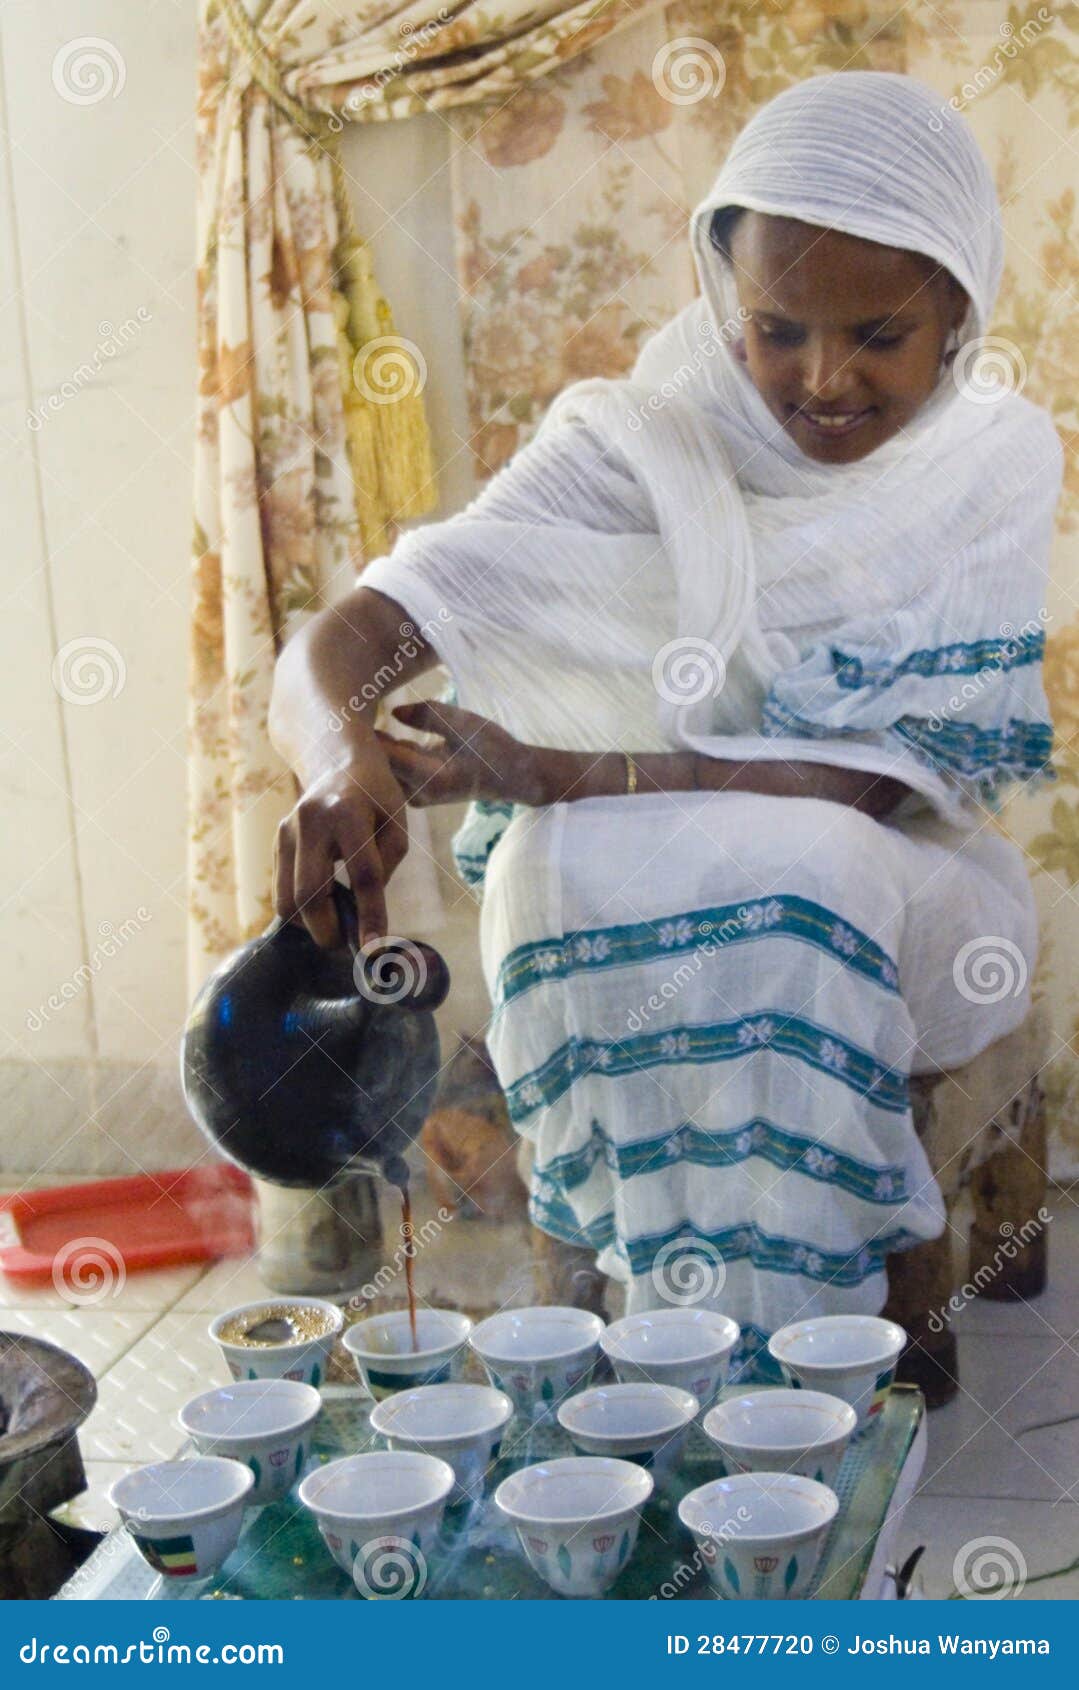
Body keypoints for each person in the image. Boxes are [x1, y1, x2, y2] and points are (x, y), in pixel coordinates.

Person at [268, 71, 1063, 1377]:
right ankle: (662, 1342)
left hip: (913, 877)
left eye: (878, 334)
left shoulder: (991, 457)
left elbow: (887, 781)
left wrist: (571, 770)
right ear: (720, 298)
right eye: (777, 330)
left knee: (809, 868)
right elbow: (350, 637)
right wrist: (340, 751)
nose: (822, 381)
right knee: (535, 857)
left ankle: (808, 1362)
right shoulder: (645, 433)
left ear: (961, 311)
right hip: (651, 831)